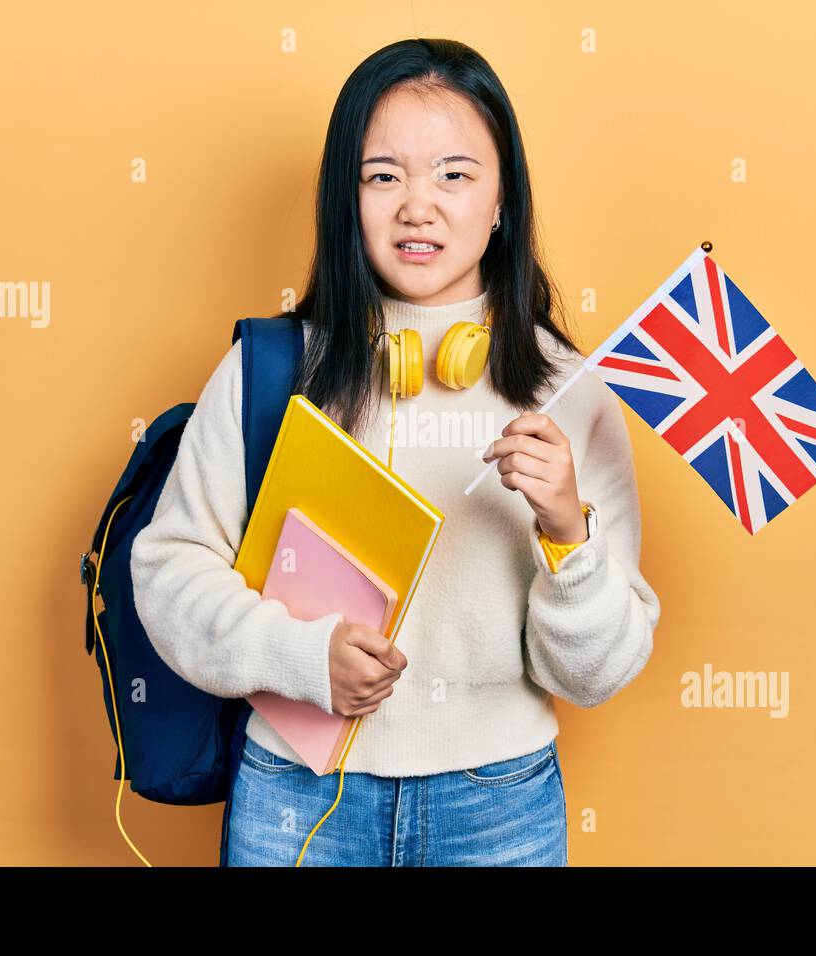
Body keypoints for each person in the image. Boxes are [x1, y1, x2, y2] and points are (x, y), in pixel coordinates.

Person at [129, 37, 660, 867]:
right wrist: (300, 658)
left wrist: (568, 533)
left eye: (455, 175)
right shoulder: (274, 370)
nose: (419, 206)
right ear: (348, 199)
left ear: (501, 204)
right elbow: (166, 574)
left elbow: (595, 674)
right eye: (383, 176)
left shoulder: (569, 390)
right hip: (295, 792)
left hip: (500, 807)